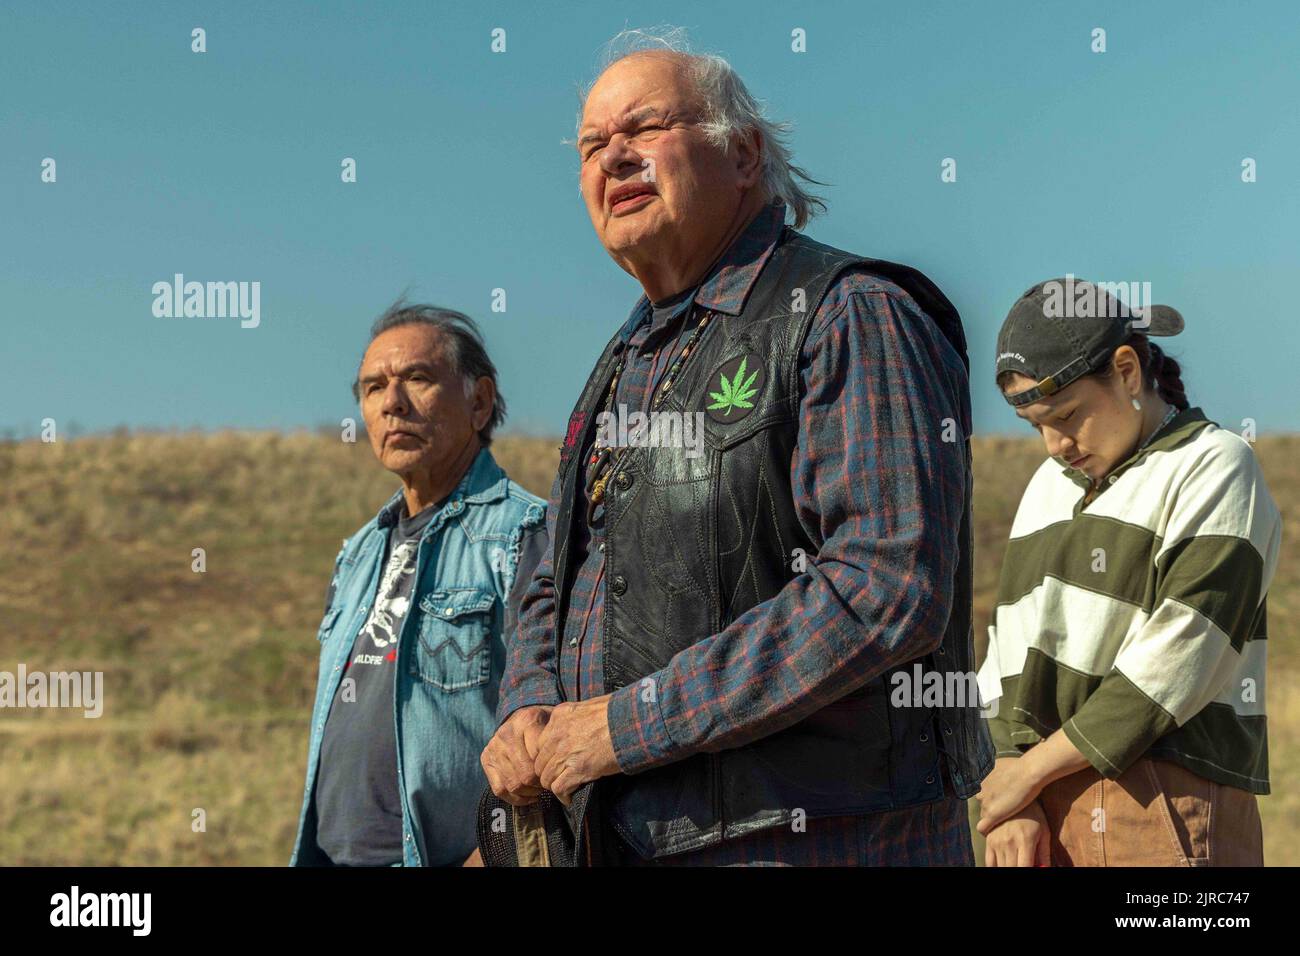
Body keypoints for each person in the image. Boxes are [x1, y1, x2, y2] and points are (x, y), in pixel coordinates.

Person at [479, 28, 993, 866]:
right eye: (591, 146)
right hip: (627, 837)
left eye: (644, 129)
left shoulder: (849, 312)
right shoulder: (622, 361)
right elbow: (552, 567)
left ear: (745, 153)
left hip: (821, 839)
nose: (614, 159)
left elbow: (885, 583)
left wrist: (624, 726)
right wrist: (527, 708)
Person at [976, 277, 1281, 866]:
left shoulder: (1214, 464)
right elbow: (1005, 652)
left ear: (1127, 370)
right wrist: (1011, 790)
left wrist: (1028, 773)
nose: (1053, 445)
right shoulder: (1047, 486)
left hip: (1163, 800)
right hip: (1039, 812)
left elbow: (1182, 658)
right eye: (1036, 425)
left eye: (1066, 415)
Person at [290, 302, 546, 867]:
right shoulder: (356, 554)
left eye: (418, 379)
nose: (392, 403)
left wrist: (496, 858)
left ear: (479, 402)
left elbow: (555, 729)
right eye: (373, 387)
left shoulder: (527, 535)